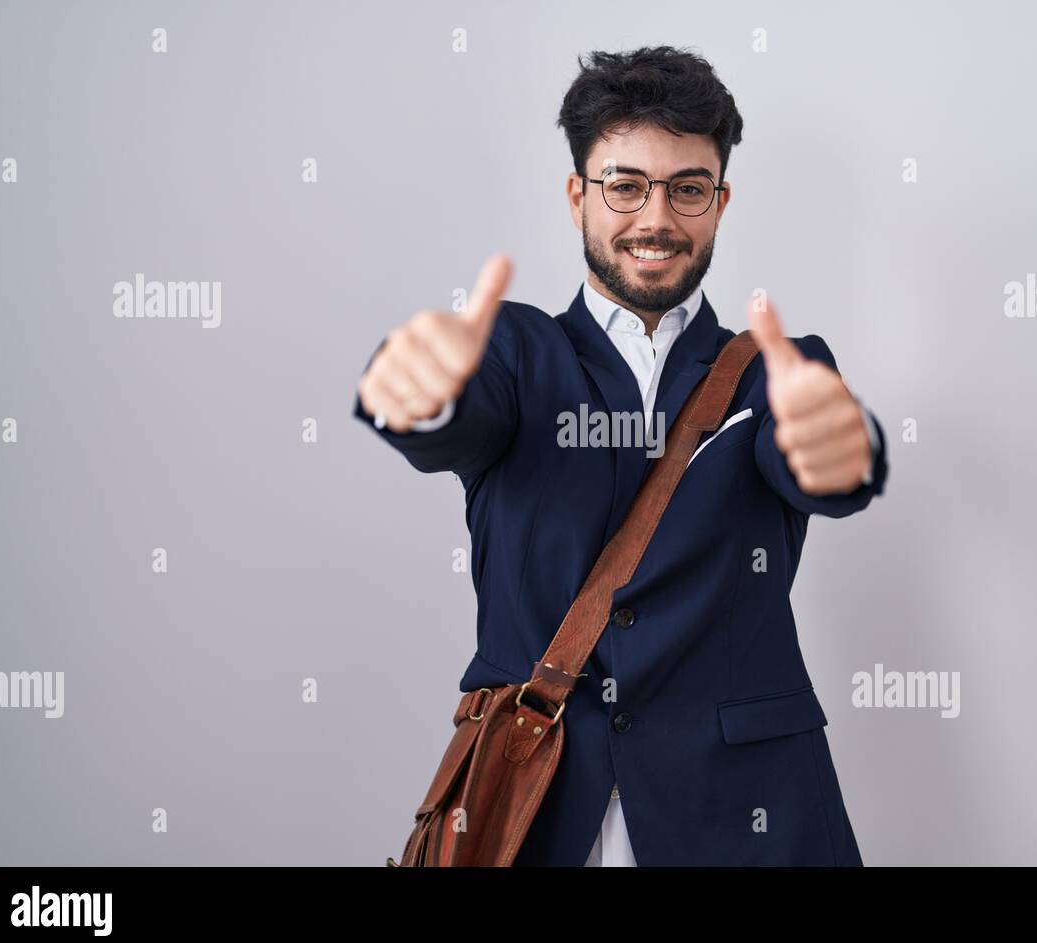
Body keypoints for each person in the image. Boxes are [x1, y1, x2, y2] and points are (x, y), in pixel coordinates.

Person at [354, 45, 888, 866]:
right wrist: (415, 399)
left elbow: (820, 461)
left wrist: (845, 453)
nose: (656, 219)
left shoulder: (782, 367)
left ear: (720, 201)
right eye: (626, 185)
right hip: (531, 810)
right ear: (579, 195)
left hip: (749, 813)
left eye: (688, 189)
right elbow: (452, 419)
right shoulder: (509, 352)